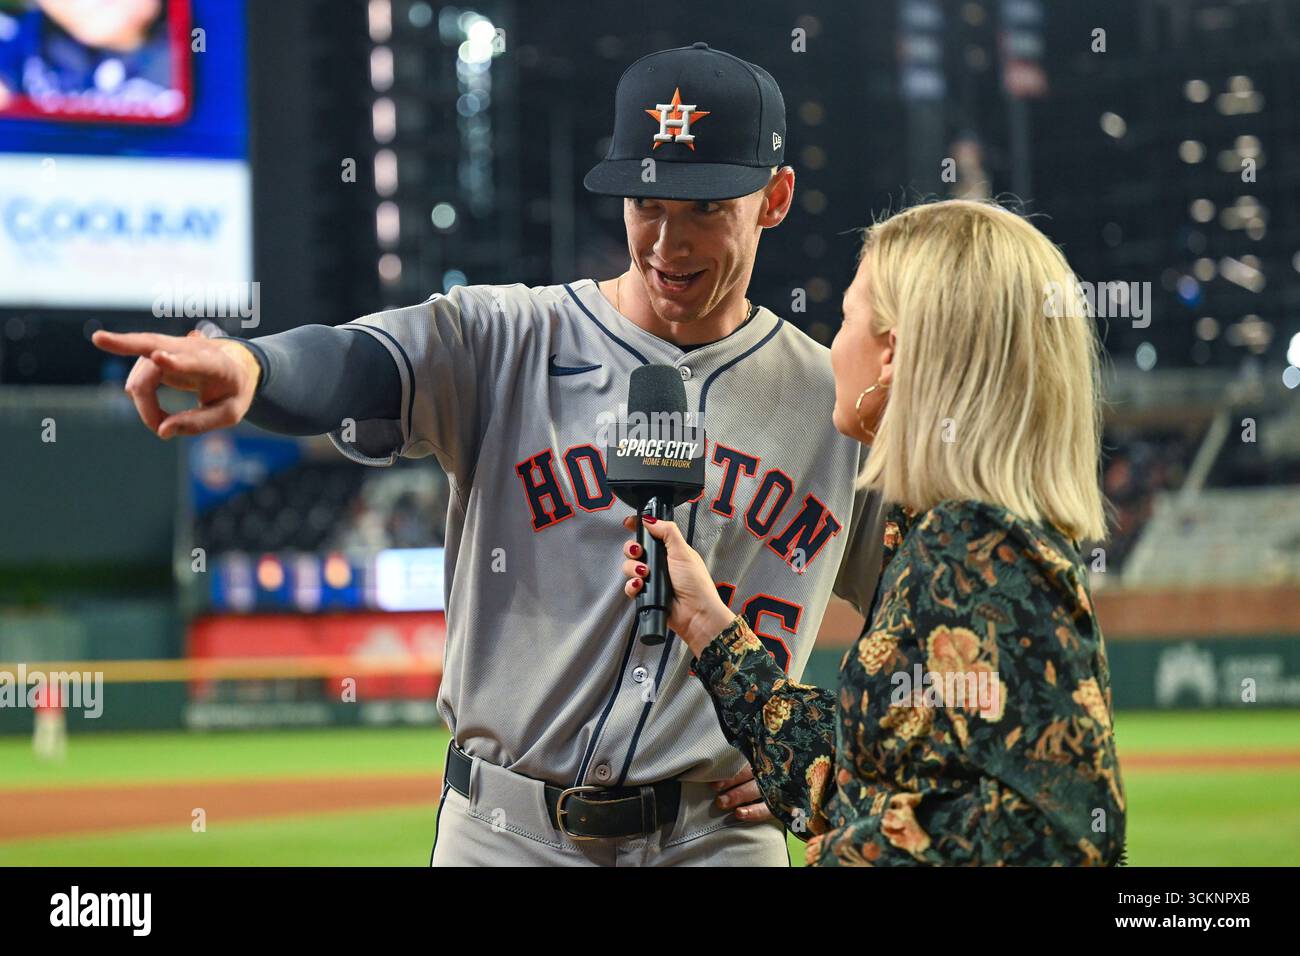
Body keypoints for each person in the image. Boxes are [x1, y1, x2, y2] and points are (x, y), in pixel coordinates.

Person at [92, 43, 886, 867]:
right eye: (645, 203)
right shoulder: (505, 335)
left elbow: (943, 618)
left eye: (705, 208)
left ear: (775, 198)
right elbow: (359, 364)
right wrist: (257, 367)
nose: (667, 242)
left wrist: (834, 746)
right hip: (506, 833)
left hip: (715, 837)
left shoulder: (834, 399)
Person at [617, 199, 1127, 866]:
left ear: (893, 353)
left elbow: (1047, 837)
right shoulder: (953, 536)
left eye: (848, 319)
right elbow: (899, 791)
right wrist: (712, 631)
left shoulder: (974, 548)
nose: (834, 346)